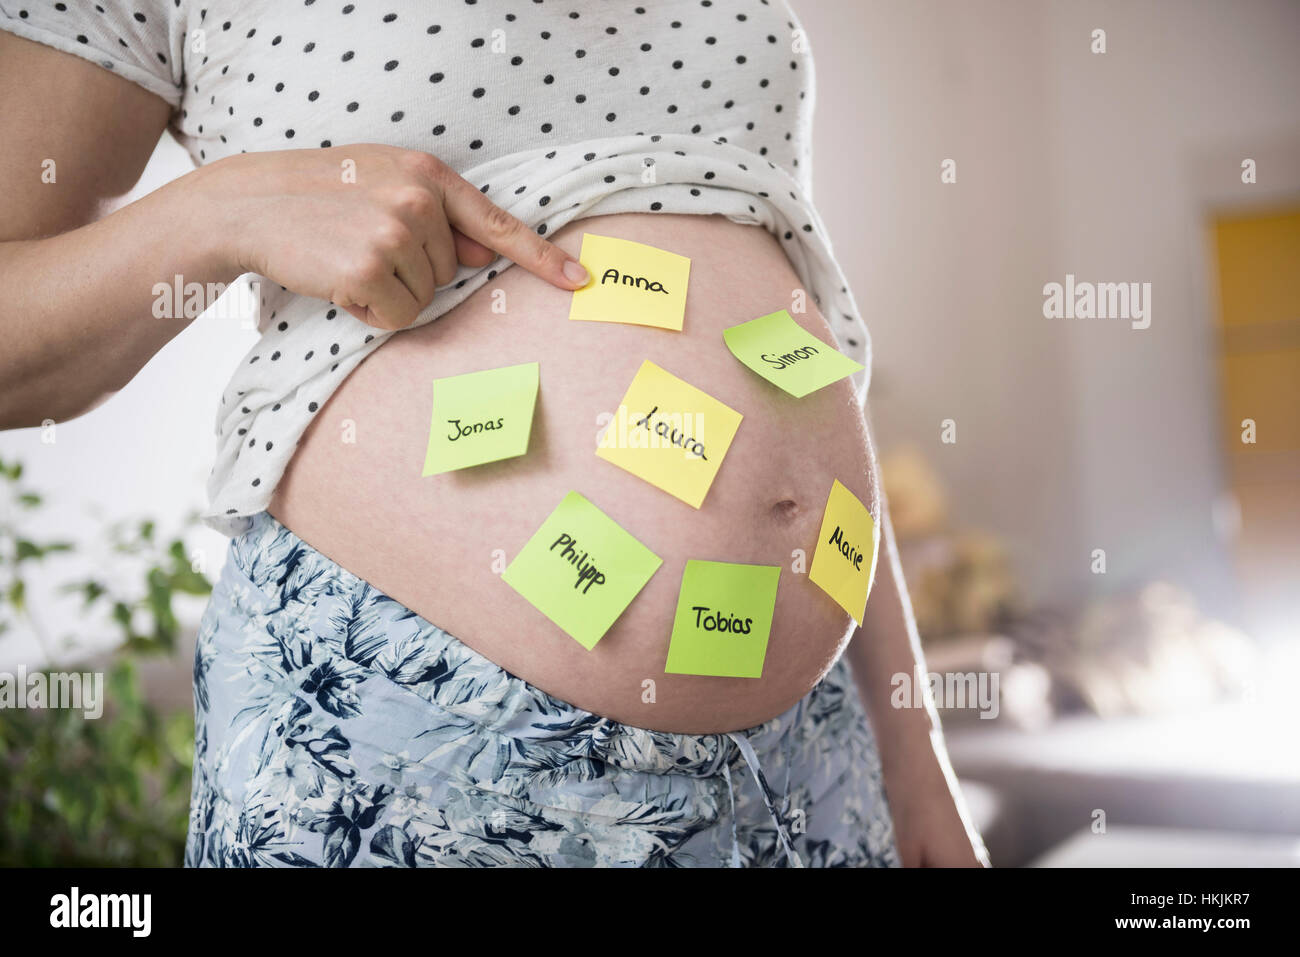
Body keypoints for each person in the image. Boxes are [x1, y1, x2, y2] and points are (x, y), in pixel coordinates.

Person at [0, 0, 988, 868]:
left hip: (809, 755)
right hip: (414, 732)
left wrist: (913, 750)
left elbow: (801, 349)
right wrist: (216, 213)